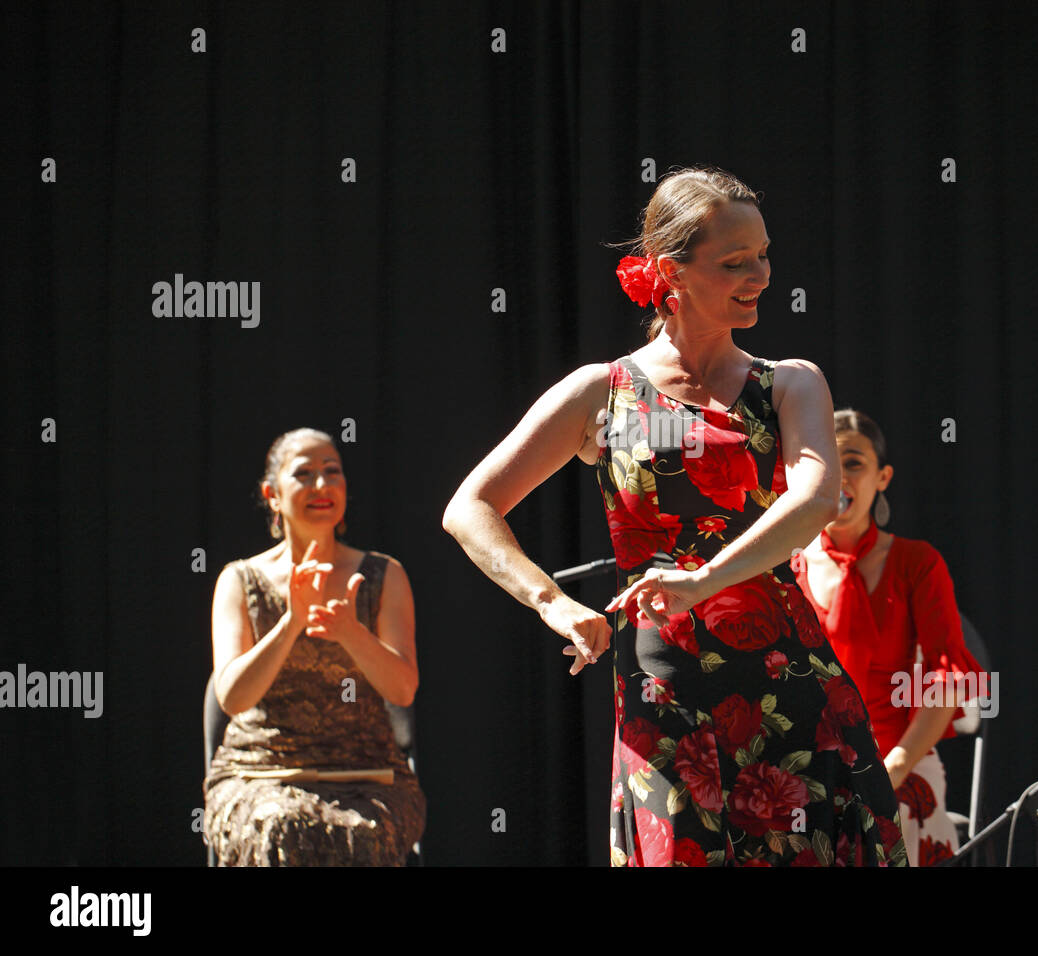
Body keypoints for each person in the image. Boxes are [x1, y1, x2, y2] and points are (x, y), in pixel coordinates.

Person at [443, 166, 907, 866]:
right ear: (671, 271)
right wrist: (553, 603)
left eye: (764, 254)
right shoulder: (603, 391)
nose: (761, 273)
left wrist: (704, 579)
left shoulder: (789, 382)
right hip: (667, 690)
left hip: (791, 681)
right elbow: (469, 508)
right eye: (734, 261)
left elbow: (813, 498)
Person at [203, 428, 426, 865]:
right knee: (281, 829)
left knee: (361, 837)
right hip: (260, 773)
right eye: (304, 474)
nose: (322, 485)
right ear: (272, 493)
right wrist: (291, 622)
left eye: (332, 472)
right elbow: (230, 697)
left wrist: (350, 631)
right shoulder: (238, 579)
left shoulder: (385, 575)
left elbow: (402, 691)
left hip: (368, 775)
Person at [793, 410, 985, 865]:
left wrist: (892, 767)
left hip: (899, 764)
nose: (840, 475)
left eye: (854, 462)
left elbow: (947, 678)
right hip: (806, 766)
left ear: (883, 477)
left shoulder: (917, 563)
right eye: (829, 462)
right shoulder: (788, 565)